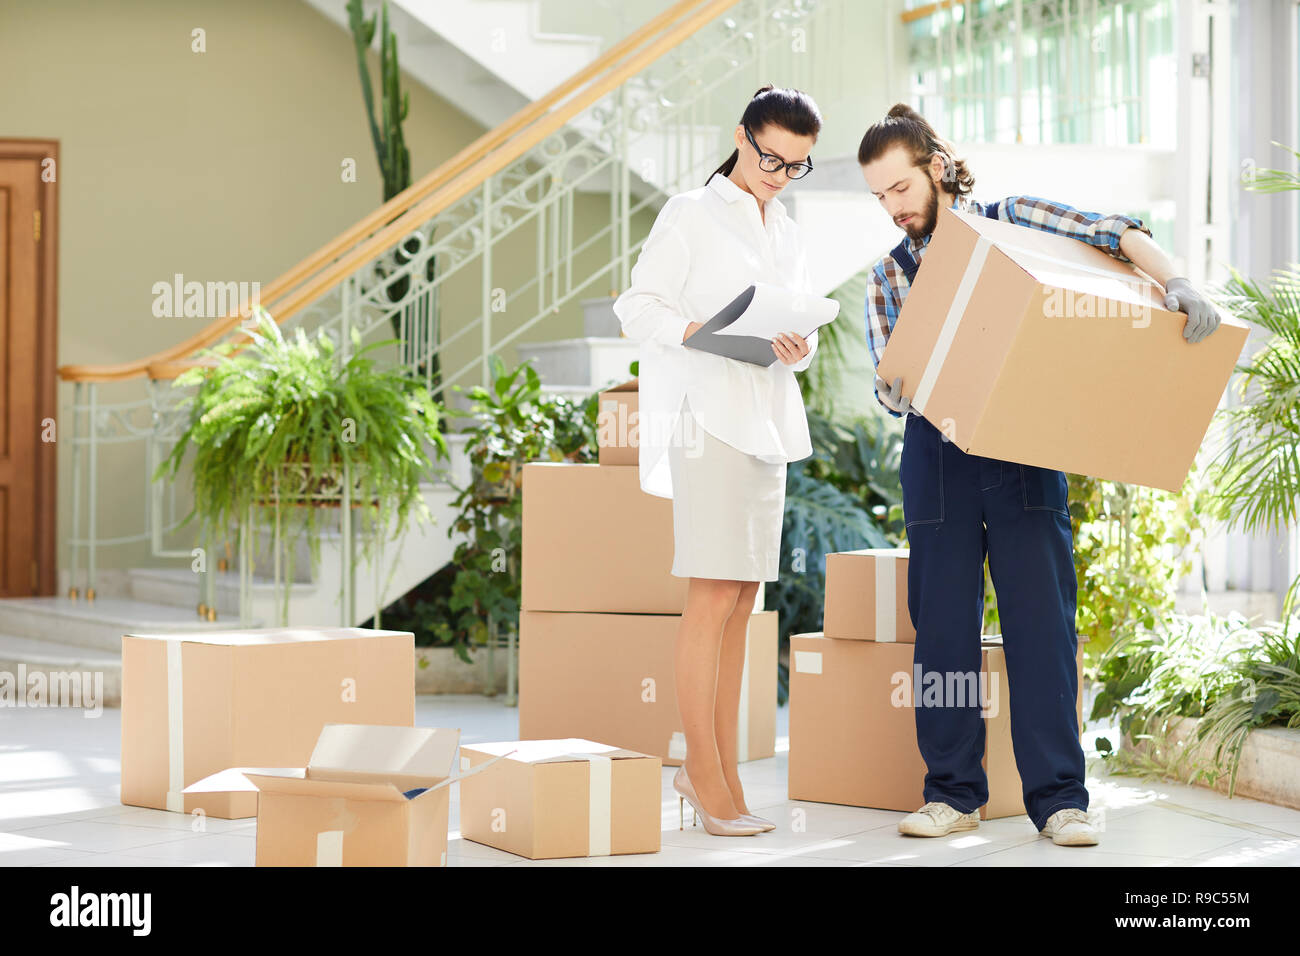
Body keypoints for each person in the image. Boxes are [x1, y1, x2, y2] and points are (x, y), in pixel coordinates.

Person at [857, 103, 1222, 847]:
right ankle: (951, 793)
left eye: (900, 188)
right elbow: (888, 377)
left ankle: (1060, 800)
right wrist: (894, 386)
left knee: (1041, 626)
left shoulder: (1013, 219)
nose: (893, 209)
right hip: (936, 453)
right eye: (880, 197)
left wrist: (1178, 281)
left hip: (1024, 446)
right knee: (944, 632)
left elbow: (1109, 233)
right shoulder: (886, 275)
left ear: (934, 165)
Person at [613, 85, 823, 837]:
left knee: (742, 602)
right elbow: (637, 307)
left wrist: (800, 345)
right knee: (711, 595)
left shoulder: (788, 228)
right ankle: (700, 772)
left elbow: (804, 324)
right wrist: (703, 329)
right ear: (742, 136)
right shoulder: (689, 213)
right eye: (771, 157)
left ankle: (724, 773)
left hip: (767, 424)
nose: (779, 173)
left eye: (796, 166)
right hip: (709, 419)